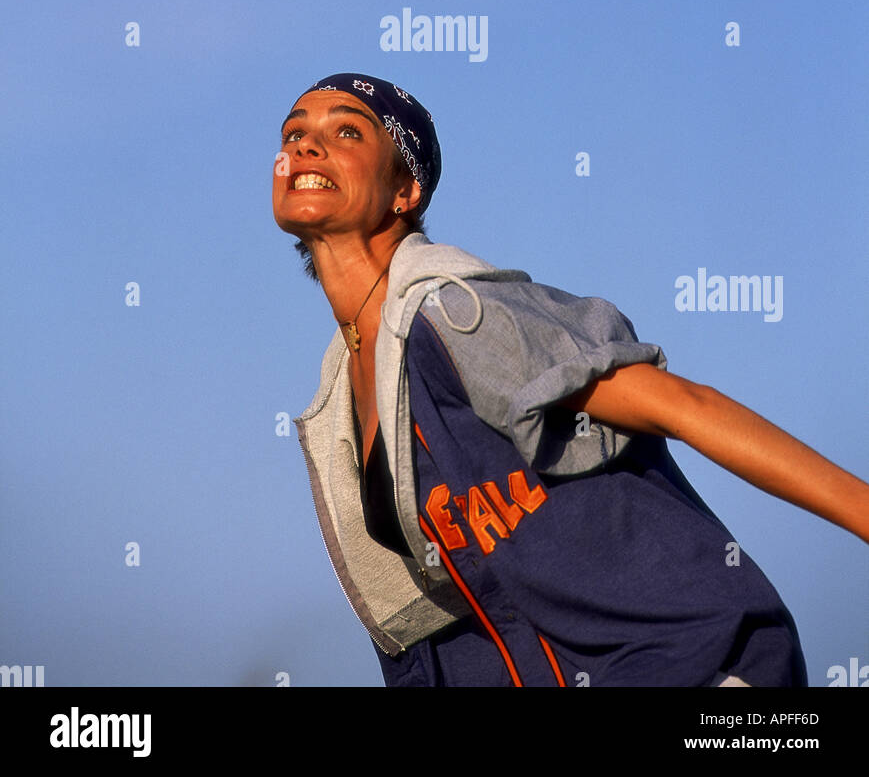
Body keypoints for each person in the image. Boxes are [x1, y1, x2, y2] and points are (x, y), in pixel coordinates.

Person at [273, 72, 868, 688]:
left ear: (406, 189)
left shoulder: (458, 316)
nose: (306, 147)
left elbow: (684, 406)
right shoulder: (342, 397)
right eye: (294, 132)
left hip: (694, 664)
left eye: (346, 130)